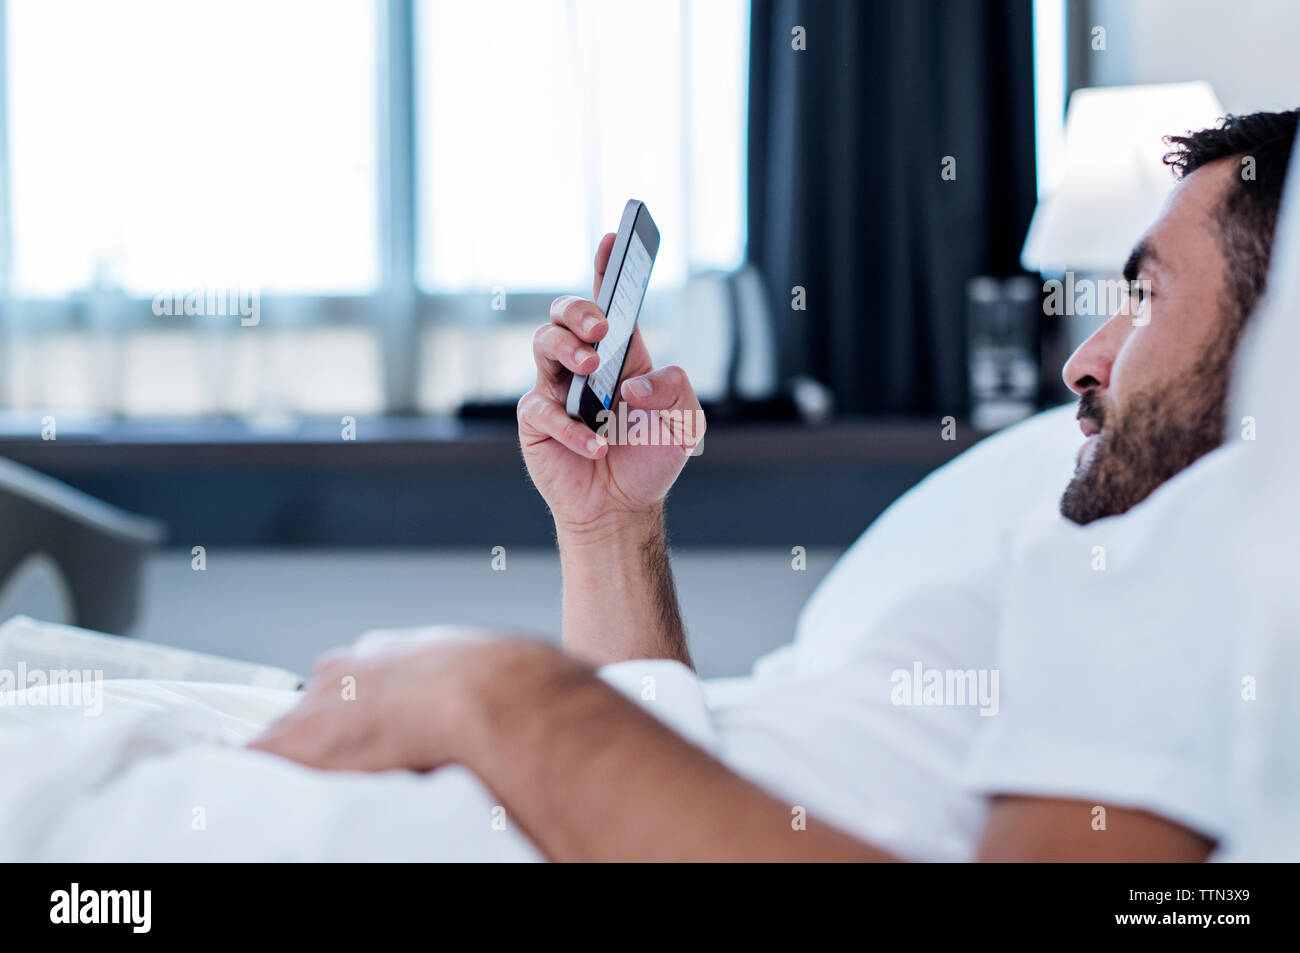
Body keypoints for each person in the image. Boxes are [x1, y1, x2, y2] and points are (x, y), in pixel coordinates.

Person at [251, 110, 1299, 862]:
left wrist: (497, 693)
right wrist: (612, 523)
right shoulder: (1121, 533)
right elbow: (707, 770)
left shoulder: (1208, 533)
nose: (1083, 359)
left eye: (1147, 293)